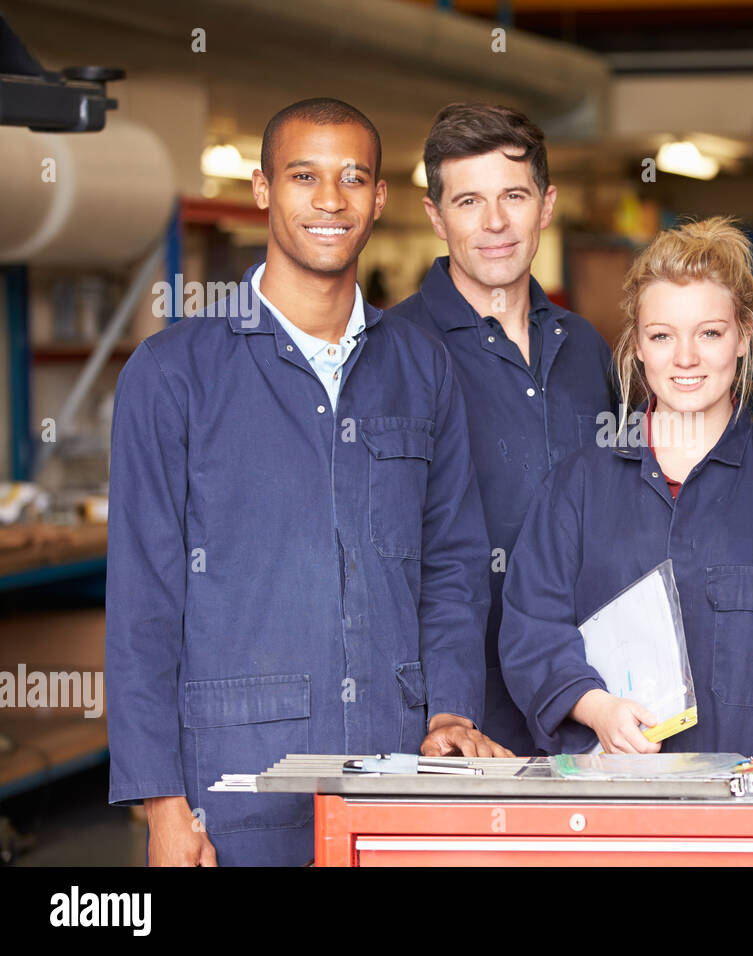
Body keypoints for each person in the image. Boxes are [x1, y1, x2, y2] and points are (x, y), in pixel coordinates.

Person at [107, 98, 508, 868]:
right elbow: (142, 606)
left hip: (397, 778)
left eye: (354, 177)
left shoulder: (422, 370)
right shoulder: (173, 375)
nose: (331, 200)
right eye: (304, 176)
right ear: (262, 189)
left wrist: (452, 708)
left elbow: (454, 568)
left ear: (380, 199)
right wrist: (162, 804)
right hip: (236, 789)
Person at [497, 217, 753, 756]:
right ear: (638, 348)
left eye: (710, 333)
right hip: (612, 816)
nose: (686, 358)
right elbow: (532, 631)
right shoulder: (576, 488)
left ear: (743, 337)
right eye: (662, 336)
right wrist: (594, 707)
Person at [388, 103, 614, 756]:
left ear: (545, 205)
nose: (494, 223)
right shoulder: (393, 351)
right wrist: (442, 710)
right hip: (451, 720)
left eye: (513, 196)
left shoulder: (586, 348)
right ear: (436, 216)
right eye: (468, 201)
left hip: (586, 704)